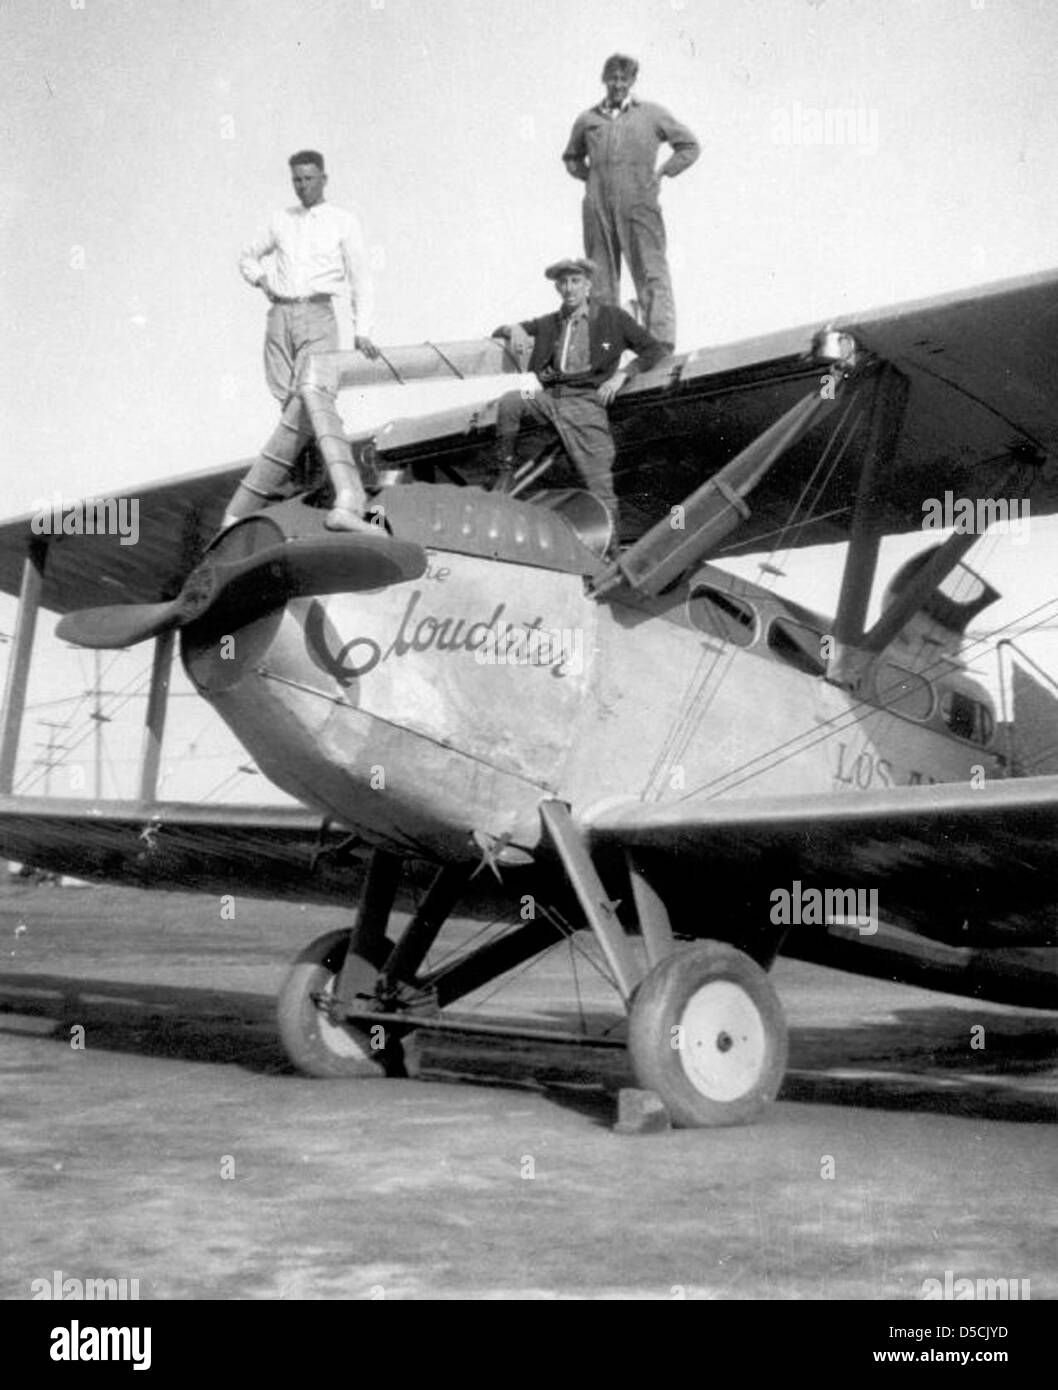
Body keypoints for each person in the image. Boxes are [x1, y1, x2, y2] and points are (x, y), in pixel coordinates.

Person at [490, 257, 667, 532]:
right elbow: (500, 331)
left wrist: (624, 374)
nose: (569, 288)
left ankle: (613, 555)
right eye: (563, 283)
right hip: (549, 398)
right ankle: (506, 473)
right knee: (513, 400)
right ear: (557, 288)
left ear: (588, 285)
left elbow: (653, 349)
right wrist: (511, 329)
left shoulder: (612, 318)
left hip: (585, 403)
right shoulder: (549, 323)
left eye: (575, 281)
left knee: (600, 485)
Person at [562, 53, 699, 351]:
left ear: (633, 81)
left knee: (651, 271)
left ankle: (659, 341)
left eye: (624, 79)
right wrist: (591, 179)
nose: (618, 85)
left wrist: (663, 172)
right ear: (604, 80)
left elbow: (689, 146)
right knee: (599, 279)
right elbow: (571, 158)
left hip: (640, 205)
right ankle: (604, 346)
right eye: (612, 78)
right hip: (598, 208)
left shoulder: (651, 114)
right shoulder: (588, 119)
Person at [238, 150, 378, 403]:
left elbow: (361, 280)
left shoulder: (343, 221)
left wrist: (362, 330)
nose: (303, 186)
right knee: (285, 395)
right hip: (280, 314)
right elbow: (247, 256)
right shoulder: (281, 219)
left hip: (317, 314)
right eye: (297, 180)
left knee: (314, 389)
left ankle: (323, 440)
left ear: (324, 179)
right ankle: (305, 443)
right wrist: (261, 279)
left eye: (309, 179)